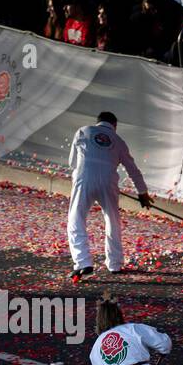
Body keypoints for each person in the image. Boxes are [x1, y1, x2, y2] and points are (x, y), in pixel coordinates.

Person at [66, 112, 153, 281]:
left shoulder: (84, 131)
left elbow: (72, 163)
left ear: (97, 122)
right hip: (108, 181)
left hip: (84, 178)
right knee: (112, 220)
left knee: (76, 219)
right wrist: (142, 193)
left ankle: (83, 262)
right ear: (115, 126)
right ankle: (114, 264)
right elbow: (133, 170)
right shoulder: (118, 141)